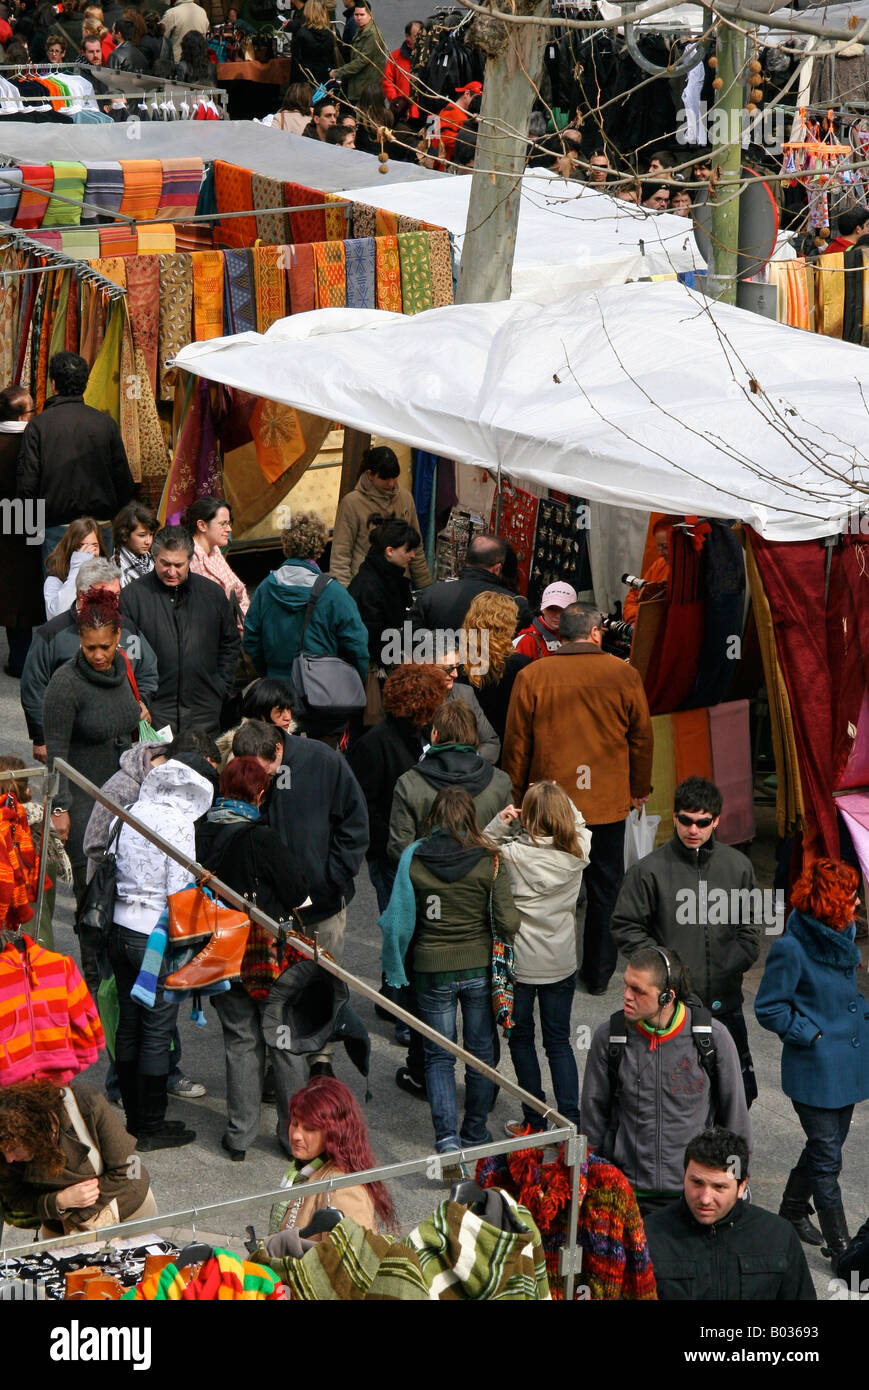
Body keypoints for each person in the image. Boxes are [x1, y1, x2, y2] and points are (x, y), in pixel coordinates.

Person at [503, 601, 653, 994]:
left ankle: (544, 968)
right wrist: (639, 788)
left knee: (547, 884)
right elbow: (640, 738)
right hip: (605, 803)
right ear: (596, 632)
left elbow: (517, 743)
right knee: (605, 889)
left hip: (549, 803)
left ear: (560, 633)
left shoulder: (533, 675)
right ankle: (598, 974)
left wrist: (516, 796)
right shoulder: (624, 674)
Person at [382, 787, 519, 1165]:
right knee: (480, 1054)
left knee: (439, 1057)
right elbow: (508, 921)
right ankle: (475, 1130)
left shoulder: (413, 856)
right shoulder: (490, 860)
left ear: (435, 817)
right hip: (478, 971)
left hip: (430, 971)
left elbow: (396, 921)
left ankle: (446, 1140)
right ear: (471, 818)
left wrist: (396, 965)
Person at [611, 777, 762, 1106]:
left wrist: (734, 960)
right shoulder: (648, 871)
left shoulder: (737, 867)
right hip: (671, 1007)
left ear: (716, 821)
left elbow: (752, 923)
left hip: (726, 1003)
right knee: (673, 1097)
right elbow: (625, 925)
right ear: (675, 817)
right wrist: (665, 969)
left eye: (703, 822)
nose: (693, 829)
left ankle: (723, 1155)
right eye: (685, 820)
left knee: (737, 1095)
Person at [755, 857, 869, 1271]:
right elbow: (769, 1007)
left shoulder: (842, 933)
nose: (858, 901)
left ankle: (791, 1207)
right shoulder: (792, 947)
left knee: (828, 1146)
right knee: (827, 1158)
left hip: (849, 1064)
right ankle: (842, 1250)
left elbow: (844, 996)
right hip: (816, 1070)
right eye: (852, 896)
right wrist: (811, 1034)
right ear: (833, 901)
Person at [580, 946, 750, 1214]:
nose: (626, 996)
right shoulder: (609, 1038)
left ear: (666, 997)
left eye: (638, 991)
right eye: (626, 985)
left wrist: (738, 1182)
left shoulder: (713, 1038)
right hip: (627, 1195)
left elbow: (736, 1119)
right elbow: (592, 1119)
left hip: (690, 1197)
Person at [199, 757, 309, 1161]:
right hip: (267, 954)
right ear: (261, 794)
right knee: (283, 1041)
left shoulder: (201, 831)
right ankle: (292, 1136)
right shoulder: (261, 838)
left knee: (241, 1040)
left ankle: (239, 1135)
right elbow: (297, 890)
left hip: (221, 949)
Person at [110, 754, 214, 1150]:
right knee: (157, 1031)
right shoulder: (179, 825)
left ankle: (133, 1121)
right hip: (153, 937)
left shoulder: (130, 812)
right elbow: (179, 890)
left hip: (119, 929)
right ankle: (150, 1126)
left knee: (129, 1023)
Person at [267, 700, 369, 1077]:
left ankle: (320, 1060)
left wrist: (332, 881)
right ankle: (277, 1061)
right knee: (276, 985)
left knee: (323, 985)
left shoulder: (323, 761)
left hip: (322, 904)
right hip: (271, 908)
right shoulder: (247, 762)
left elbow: (354, 824)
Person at [485, 782, 590, 1138]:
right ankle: (570, 1123)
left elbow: (482, 845)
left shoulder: (512, 855)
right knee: (559, 1042)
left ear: (527, 818)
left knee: (521, 1039)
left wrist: (501, 821)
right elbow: (580, 824)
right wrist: (559, 797)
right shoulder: (578, 852)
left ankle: (534, 1120)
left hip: (522, 967)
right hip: (561, 962)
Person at [42, 587, 141, 916]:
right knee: (93, 906)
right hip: (84, 807)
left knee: (127, 900)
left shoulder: (122, 668)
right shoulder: (65, 683)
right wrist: (59, 809)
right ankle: (94, 969)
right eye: (89, 647)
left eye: (105, 646)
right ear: (80, 640)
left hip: (126, 802)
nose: (98, 655)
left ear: (118, 636)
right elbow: (55, 753)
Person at [644, 1128, 816, 1301]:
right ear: (684, 1177)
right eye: (697, 1183)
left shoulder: (778, 1236)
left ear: (742, 1187)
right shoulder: (648, 1235)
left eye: (719, 1187)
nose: (705, 1199)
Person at [21, 557, 157, 769]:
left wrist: (143, 701)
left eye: (118, 596)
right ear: (83, 596)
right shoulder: (51, 635)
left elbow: (148, 670)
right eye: (108, 597)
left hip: (119, 746)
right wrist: (41, 737)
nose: (116, 604)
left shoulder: (127, 629)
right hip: (72, 747)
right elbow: (33, 688)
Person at [255, 1077, 394, 1267]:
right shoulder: (302, 1172)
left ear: (334, 1133)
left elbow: (347, 1270)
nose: (296, 1135)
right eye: (294, 1123)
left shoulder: (343, 1188)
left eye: (309, 1128)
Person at [120, 524, 240, 736]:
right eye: (165, 563)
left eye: (178, 565)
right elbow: (128, 657)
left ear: (190, 561)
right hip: (155, 712)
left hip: (205, 711)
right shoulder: (132, 597)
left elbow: (229, 644)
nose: (171, 571)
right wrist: (139, 700)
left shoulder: (212, 594)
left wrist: (219, 687)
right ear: (154, 557)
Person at [16, 351, 134, 566]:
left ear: (53, 384)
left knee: (59, 593)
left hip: (57, 528)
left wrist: (26, 530)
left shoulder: (39, 426)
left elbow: (27, 485)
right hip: (100, 527)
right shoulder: (104, 424)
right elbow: (123, 481)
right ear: (84, 385)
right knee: (99, 594)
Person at [349, 662, 448, 912]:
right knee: (401, 933)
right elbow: (365, 807)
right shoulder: (374, 745)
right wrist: (391, 846)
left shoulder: (426, 735)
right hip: (393, 857)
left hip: (419, 852)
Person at [0, 1079, 157, 1237]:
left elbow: (130, 1169)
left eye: (13, 1149)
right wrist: (59, 1202)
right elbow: (15, 1197)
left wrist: (77, 1209)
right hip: (60, 1227)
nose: (9, 1159)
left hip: (129, 1211)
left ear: (34, 1133)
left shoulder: (86, 1103)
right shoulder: (6, 1142)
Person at [243, 510, 368, 695]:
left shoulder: (265, 589)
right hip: (324, 693)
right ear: (320, 544)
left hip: (277, 693)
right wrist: (352, 682)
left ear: (285, 542)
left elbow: (251, 639)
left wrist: (270, 674)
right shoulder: (334, 593)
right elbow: (357, 645)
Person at [388, 698, 512, 863]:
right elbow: (510, 841)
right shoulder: (500, 782)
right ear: (474, 735)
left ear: (435, 734)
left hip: (425, 884)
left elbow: (400, 850)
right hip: (482, 884)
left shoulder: (408, 783)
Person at [330, 446, 431, 591]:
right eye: (385, 479)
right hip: (364, 590)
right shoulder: (351, 503)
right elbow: (340, 556)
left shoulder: (405, 498)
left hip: (399, 587)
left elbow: (416, 549)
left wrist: (426, 590)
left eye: (394, 477)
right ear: (370, 474)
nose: (391, 484)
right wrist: (347, 597)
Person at [413, 533, 532, 639]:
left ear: (466, 560)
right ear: (497, 569)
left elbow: (409, 641)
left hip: (436, 661)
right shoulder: (514, 604)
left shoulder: (431, 594)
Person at [348, 518, 420, 690]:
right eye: (408, 550)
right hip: (375, 675)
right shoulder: (369, 587)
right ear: (390, 551)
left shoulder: (387, 577)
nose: (413, 555)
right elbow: (372, 638)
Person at [0, 385, 42, 678]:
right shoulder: (35, 442)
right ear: (23, 414)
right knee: (24, 588)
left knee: (9, 586)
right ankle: (22, 658)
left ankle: (19, 657)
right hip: (29, 517)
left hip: (4, 518)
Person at [459, 591, 530, 744]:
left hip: (466, 746)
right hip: (506, 745)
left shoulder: (457, 663)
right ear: (509, 623)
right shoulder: (520, 665)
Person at [184, 496, 249, 636]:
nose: (229, 529)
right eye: (223, 524)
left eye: (229, 523)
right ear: (202, 525)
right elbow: (200, 608)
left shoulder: (214, 551)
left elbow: (240, 591)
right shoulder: (190, 558)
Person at [434, 648, 499, 764]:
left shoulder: (465, 694)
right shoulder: (414, 703)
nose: (455, 674)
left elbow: (491, 743)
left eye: (457, 667)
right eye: (448, 669)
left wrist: (467, 765)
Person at [43, 515, 107, 620]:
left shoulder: (109, 577)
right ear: (71, 548)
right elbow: (58, 615)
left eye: (94, 546)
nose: (89, 551)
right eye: (82, 546)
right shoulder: (54, 581)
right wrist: (78, 567)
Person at [330, 0, 387, 106]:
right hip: (361, 85)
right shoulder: (361, 30)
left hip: (366, 89)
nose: (359, 18)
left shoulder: (371, 34)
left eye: (362, 15)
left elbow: (361, 61)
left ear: (370, 16)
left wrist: (338, 72)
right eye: (356, 15)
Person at [621, 517, 670, 624]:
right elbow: (633, 597)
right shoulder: (659, 564)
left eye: (665, 547)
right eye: (659, 547)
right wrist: (635, 619)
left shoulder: (692, 571)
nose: (661, 552)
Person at [514, 581, 577, 661]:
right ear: (542, 608)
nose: (558, 615)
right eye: (552, 609)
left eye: (563, 610)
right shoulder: (526, 641)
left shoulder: (579, 636)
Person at [290, 0, 336, 87]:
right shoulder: (330, 34)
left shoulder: (301, 34)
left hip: (305, 81)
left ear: (307, 12)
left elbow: (296, 63)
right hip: (324, 81)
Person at [112, 500, 156, 588]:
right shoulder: (116, 568)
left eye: (151, 534)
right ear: (124, 535)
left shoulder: (152, 560)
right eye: (142, 535)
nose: (148, 541)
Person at [382, 18, 420, 119]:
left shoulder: (431, 56)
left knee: (431, 135)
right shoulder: (395, 57)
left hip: (427, 112)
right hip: (403, 113)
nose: (421, 40)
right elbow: (387, 82)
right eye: (417, 37)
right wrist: (398, 104)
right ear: (408, 37)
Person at [439, 79, 481, 164]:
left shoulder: (464, 113)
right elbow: (445, 137)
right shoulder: (450, 111)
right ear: (467, 94)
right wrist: (471, 142)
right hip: (446, 163)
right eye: (476, 98)